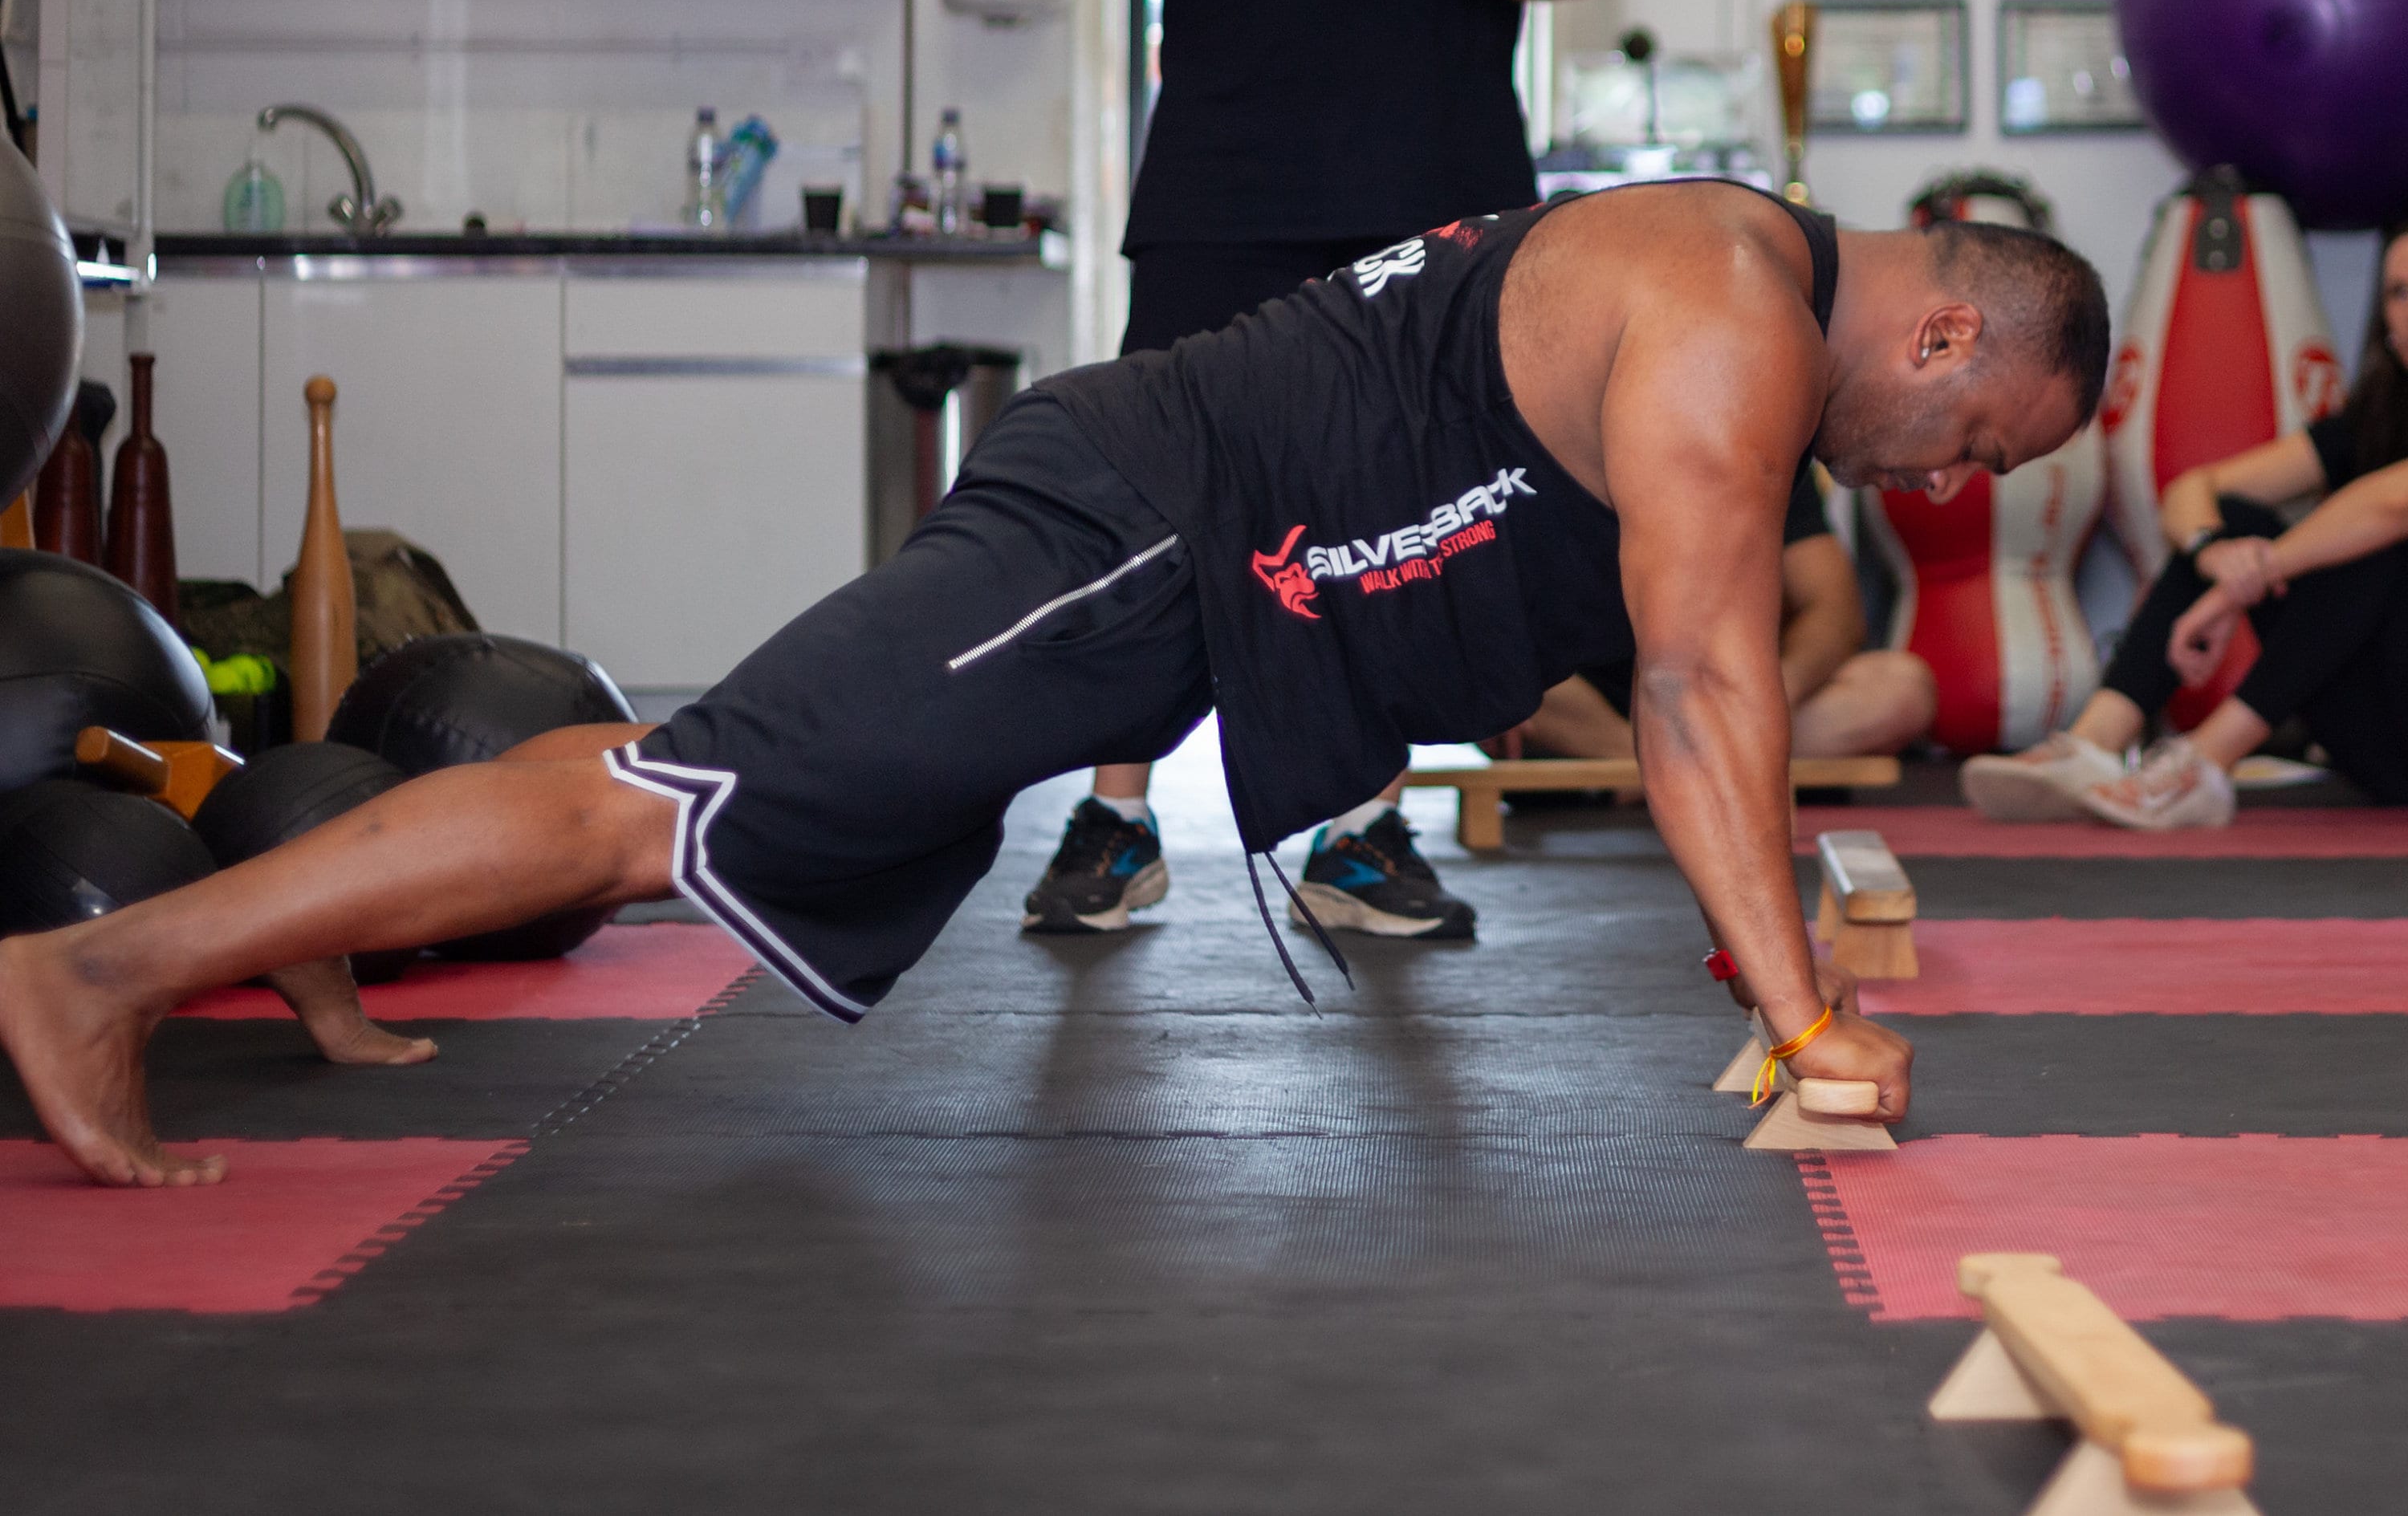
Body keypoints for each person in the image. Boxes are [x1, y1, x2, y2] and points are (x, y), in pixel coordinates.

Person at [0, 179, 2110, 1187]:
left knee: (677, 774)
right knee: (665, 809)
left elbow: (1622, 661)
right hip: (1137, 531)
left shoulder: (1733, 270)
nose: (1944, 487)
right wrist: (1805, 1012)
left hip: (1166, 547)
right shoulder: (1738, 316)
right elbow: (1699, 686)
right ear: (1946, 338)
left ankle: (306, 922)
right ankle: (97, 972)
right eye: (1979, 445)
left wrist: (1763, 949)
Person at [1023, 0, 1617, 943]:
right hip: (1226, 163)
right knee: (1154, 482)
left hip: (1429, 164)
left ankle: (1364, 831)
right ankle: (1114, 813)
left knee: (1415, 496)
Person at [1963, 222, 2408, 827]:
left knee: (2365, 542)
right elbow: (2192, 490)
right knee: (2238, 521)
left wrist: (2242, 585)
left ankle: (2205, 761)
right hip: (2378, 733)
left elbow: (2391, 504)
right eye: (2398, 292)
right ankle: (2096, 742)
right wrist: (2212, 551)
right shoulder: (2372, 423)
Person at [1513, 465, 1937, 762]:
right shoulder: (1566, 442)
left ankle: (1656, 772)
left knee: (1902, 688)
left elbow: (1835, 610)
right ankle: (1668, 769)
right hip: (1585, 703)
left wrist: (1771, 697)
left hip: (1726, 708)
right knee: (1504, 676)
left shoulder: (1768, 451)